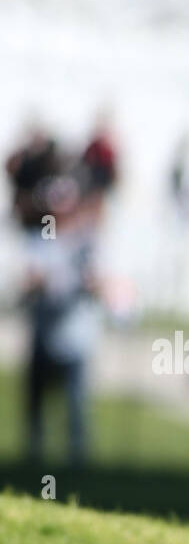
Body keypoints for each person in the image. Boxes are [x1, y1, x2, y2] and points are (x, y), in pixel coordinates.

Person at [22, 174, 102, 466]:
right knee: (37, 405)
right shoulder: (39, 241)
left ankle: (77, 461)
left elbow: (100, 282)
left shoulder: (87, 243)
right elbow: (27, 280)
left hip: (76, 336)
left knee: (75, 405)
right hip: (44, 334)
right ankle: (34, 460)